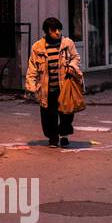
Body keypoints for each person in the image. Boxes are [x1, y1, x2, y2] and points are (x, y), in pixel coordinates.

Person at [25, 16, 82, 148]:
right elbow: (32, 67)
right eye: (54, 30)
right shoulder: (37, 47)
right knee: (48, 115)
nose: (58, 32)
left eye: (59, 29)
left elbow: (75, 58)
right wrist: (31, 86)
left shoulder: (67, 43)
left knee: (66, 114)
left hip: (64, 87)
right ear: (47, 31)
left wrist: (72, 67)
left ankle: (64, 136)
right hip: (46, 88)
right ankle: (53, 137)